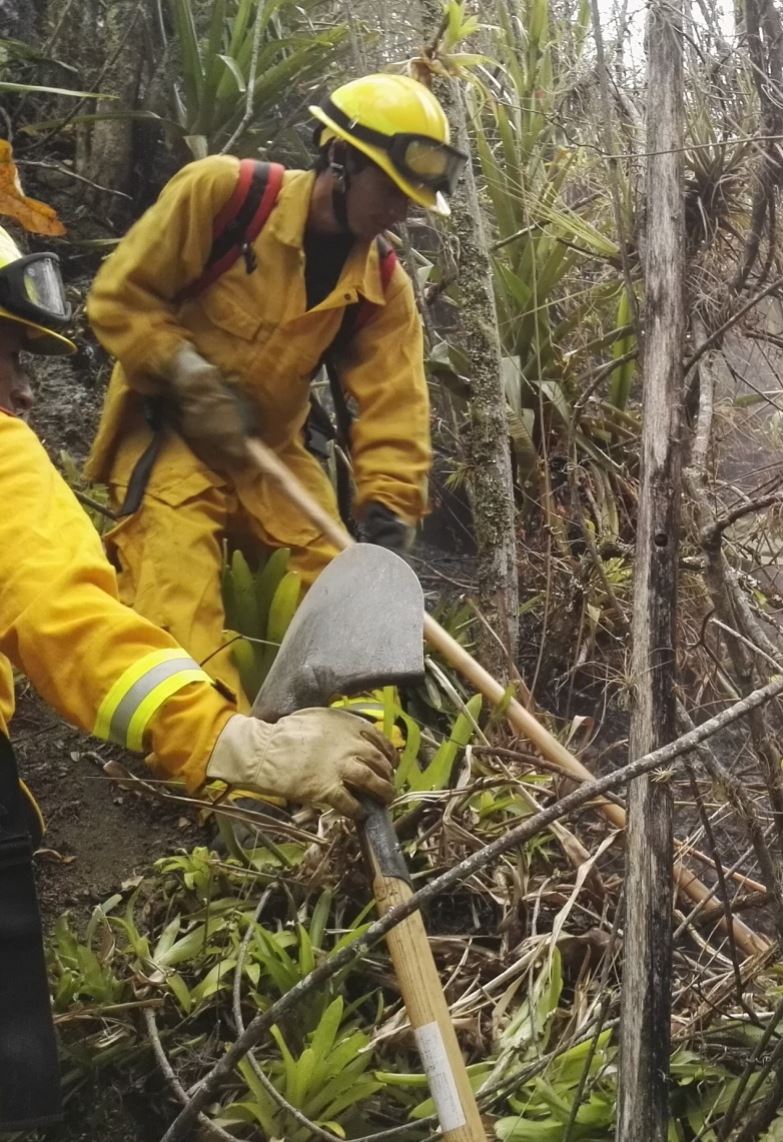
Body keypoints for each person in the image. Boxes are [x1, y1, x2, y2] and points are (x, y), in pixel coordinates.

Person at [0, 230, 396, 1130]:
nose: (24, 392)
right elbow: (72, 623)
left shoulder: (374, 281)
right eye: (12, 352)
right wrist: (236, 744)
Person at [84, 72, 460, 700]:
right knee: (177, 601)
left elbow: (396, 405)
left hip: (273, 454)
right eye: (392, 190)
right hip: (170, 435)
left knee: (339, 602)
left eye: (412, 198)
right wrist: (185, 374)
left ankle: (353, 737)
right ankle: (214, 748)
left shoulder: (383, 287)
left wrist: (389, 513)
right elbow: (120, 296)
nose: (401, 211)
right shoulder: (224, 196)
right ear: (340, 158)